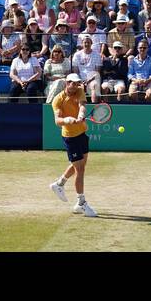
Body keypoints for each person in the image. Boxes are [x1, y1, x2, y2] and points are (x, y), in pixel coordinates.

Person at [49, 73, 98, 217]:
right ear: (67, 83)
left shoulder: (80, 91)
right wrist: (68, 120)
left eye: (77, 83)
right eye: (73, 83)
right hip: (70, 137)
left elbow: (82, 106)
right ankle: (81, 202)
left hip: (82, 133)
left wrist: (81, 115)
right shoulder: (58, 100)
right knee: (80, 169)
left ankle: (59, 184)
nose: (76, 86)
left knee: (81, 164)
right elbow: (57, 120)